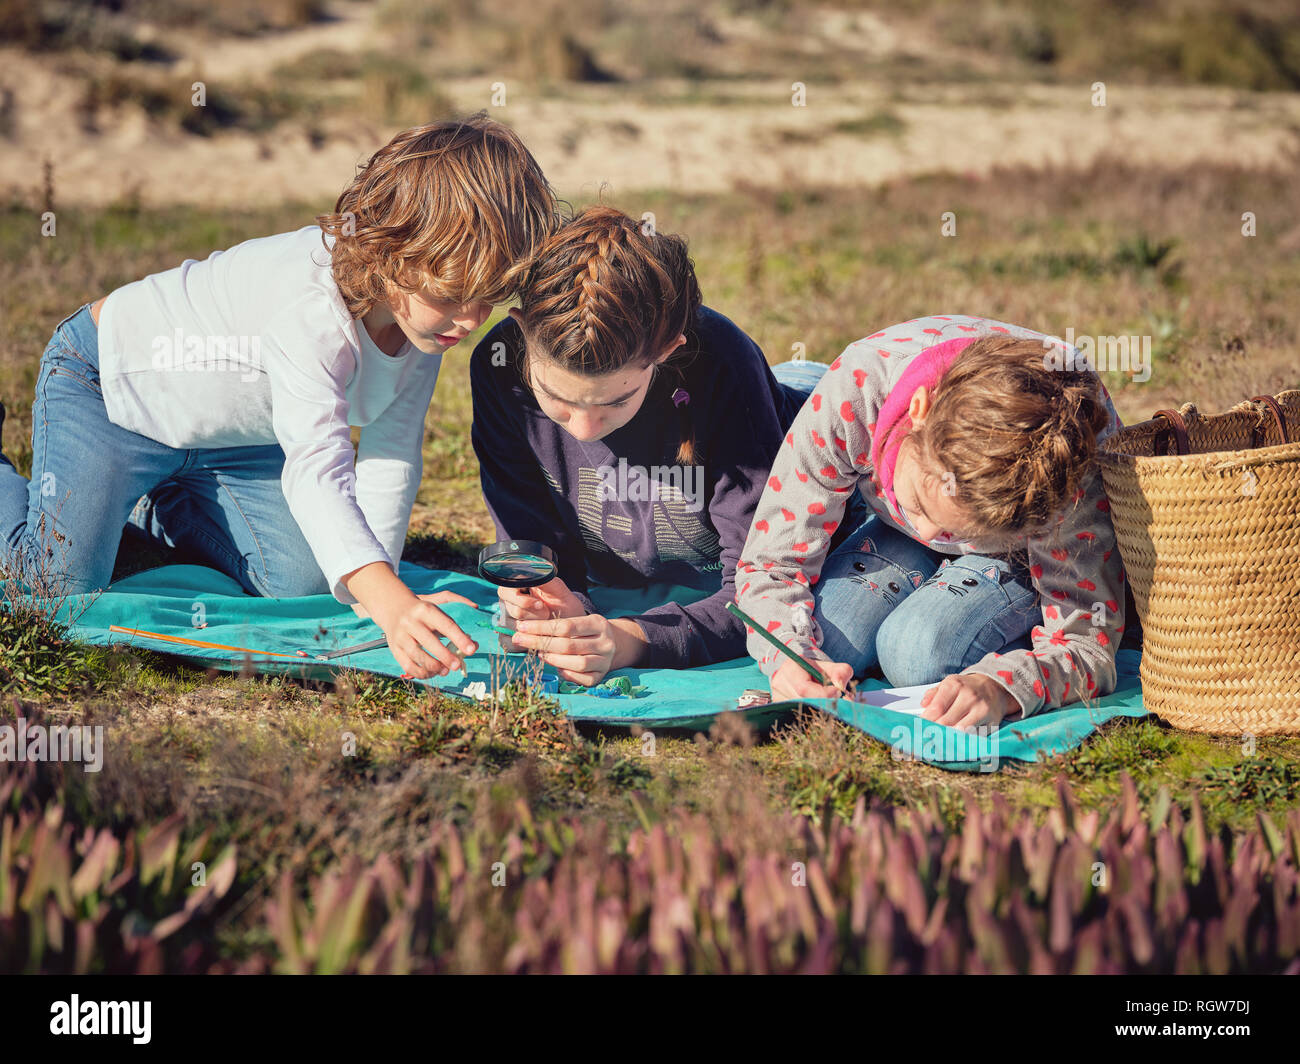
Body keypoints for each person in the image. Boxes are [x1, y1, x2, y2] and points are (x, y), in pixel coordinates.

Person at [0, 114, 560, 680]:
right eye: (455, 293)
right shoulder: (310, 305)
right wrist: (393, 602)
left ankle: (154, 502)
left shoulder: (425, 328)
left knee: (309, 583)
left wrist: (380, 595)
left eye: (488, 296)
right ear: (394, 251)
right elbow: (317, 466)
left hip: (233, 442)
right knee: (53, 592)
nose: (471, 320)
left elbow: (392, 457)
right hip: (110, 393)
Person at [470, 205, 837, 684]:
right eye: (558, 401)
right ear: (522, 333)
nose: (582, 429)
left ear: (666, 352)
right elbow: (539, 550)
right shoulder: (500, 370)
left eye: (616, 402)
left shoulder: (724, 366)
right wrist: (558, 604)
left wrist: (632, 641)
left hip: (804, 416)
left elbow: (762, 587)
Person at [734, 316, 1126, 729]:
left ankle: (976, 556)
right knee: (827, 641)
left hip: (1014, 556)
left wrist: (1004, 686)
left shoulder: (1064, 461)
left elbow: (1086, 634)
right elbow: (770, 564)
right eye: (921, 504)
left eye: (964, 528)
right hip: (890, 526)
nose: (926, 534)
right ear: (917, 410)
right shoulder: (856, 390)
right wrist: (788, 656)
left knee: (918, 653)